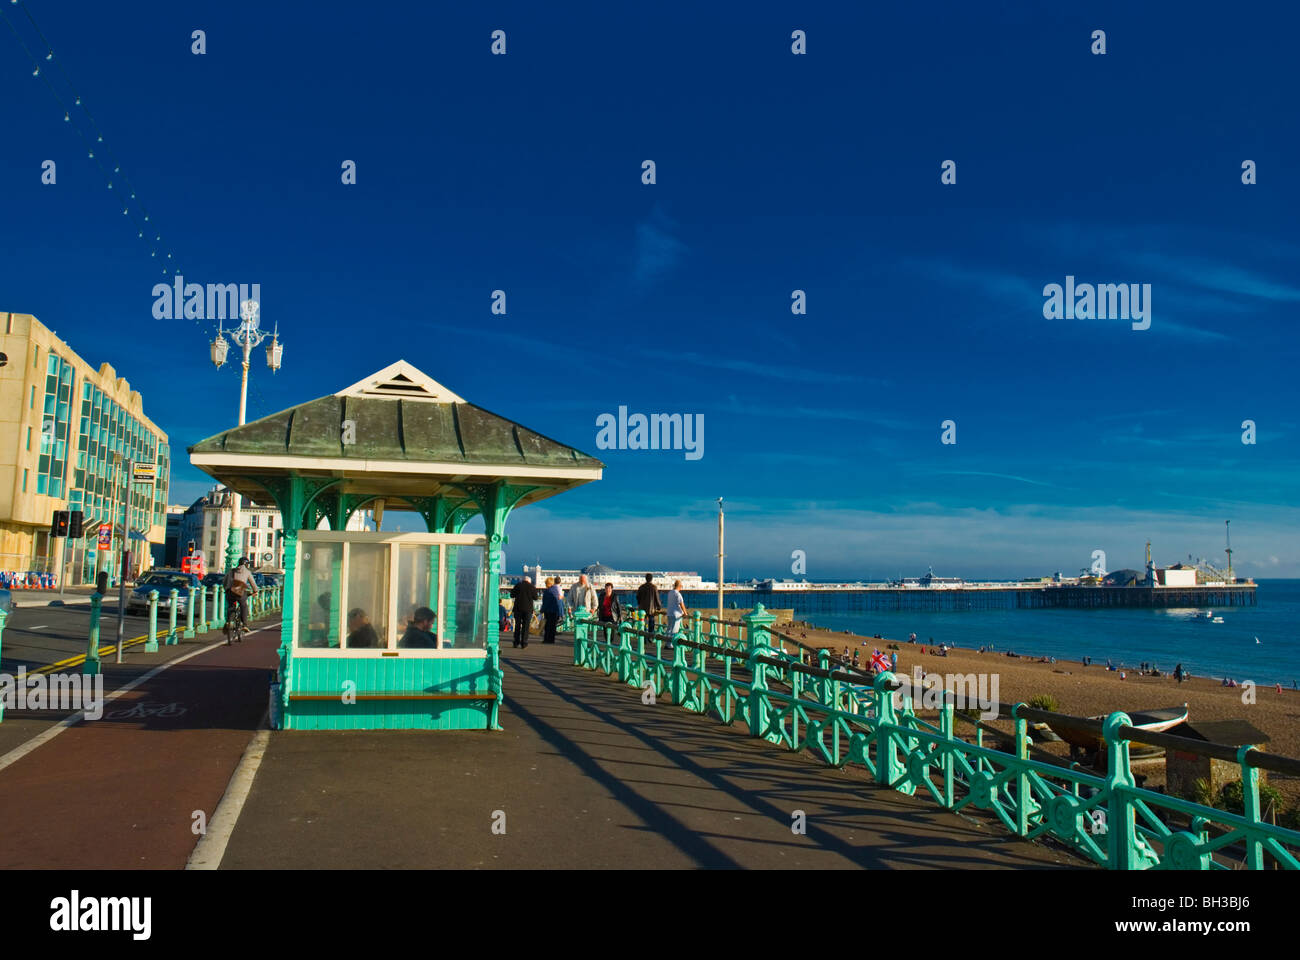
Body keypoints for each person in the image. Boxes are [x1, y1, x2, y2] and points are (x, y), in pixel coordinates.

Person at [223, 557, 259, 642]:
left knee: (231, 605)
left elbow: (225, 581)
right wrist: (255, 591)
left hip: (230, 591)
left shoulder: (231, 571)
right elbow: (253, 583)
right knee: (243, 606)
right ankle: (244, 625)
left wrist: (226, 589)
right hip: (240, 592)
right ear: (246, 564)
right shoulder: (247, 572)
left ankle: (229, 621)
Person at [511, 576, 537, 648]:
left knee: (517, 625)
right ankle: (524, 642)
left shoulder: (518, 585)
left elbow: (512, 595)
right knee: (526, 626)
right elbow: (536, 597)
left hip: (518, 609)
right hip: (528, 609)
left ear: (523, 580)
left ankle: (516, 642)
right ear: (529, 581)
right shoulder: (531, 587)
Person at [662, 579, 686, 644]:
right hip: (676, 614)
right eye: (681, 586)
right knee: (674, 630)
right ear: (679, 586)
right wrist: (685, 612)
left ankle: (667, 643)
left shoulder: (670, 592)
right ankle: (671, 644)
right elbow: (681, 604)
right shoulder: (678, 594)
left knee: (669, 629)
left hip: (669, 613)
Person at [541, 577, 562, 644]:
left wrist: (542, 610)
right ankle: (551, 640)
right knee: (553, 626)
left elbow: (545, 602)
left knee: (547, 626)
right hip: (555, 611)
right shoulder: (556, 590)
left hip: (548, 611)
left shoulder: (547, 591)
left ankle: (546, 639)